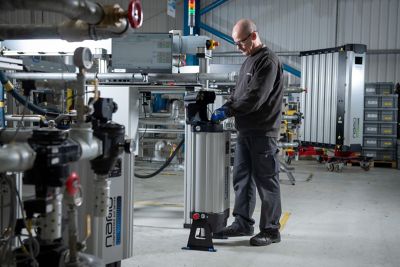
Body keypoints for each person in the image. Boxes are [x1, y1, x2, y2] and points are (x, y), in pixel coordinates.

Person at [211, 19, 283, 246]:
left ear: (253, 36)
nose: (238, 47)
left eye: (240, 42)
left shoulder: (267, 61)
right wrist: (227, 105)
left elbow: (255, 98)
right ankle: (242, 223)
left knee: (266, 182)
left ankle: (271, 230)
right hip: (245, 132)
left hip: (263, 133)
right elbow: (239, 93)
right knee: (242, 179)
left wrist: (229, 110)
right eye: (235, 42)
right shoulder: (248, 61)